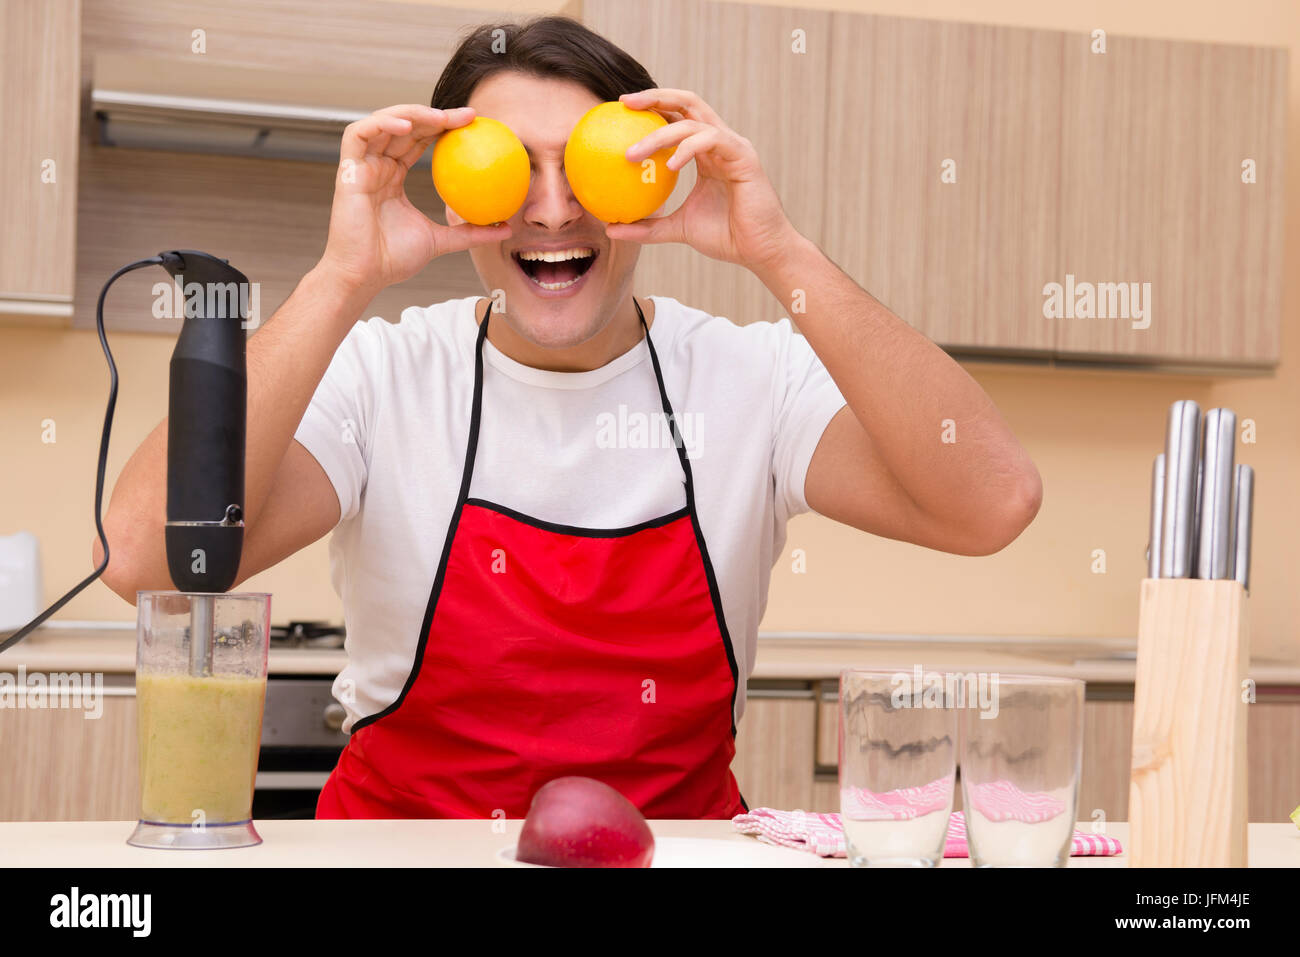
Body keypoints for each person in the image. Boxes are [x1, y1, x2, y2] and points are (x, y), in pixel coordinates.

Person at [98, 16, 1041, 820]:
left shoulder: (750, 376)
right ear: (459, 186)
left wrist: (778, 251)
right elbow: (143, 560)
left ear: (650, 173)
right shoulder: (383, 374)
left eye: (583, 166)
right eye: (514, 169)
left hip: (670, 858)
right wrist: (341, 279)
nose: (551, 212)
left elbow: (990, 501)